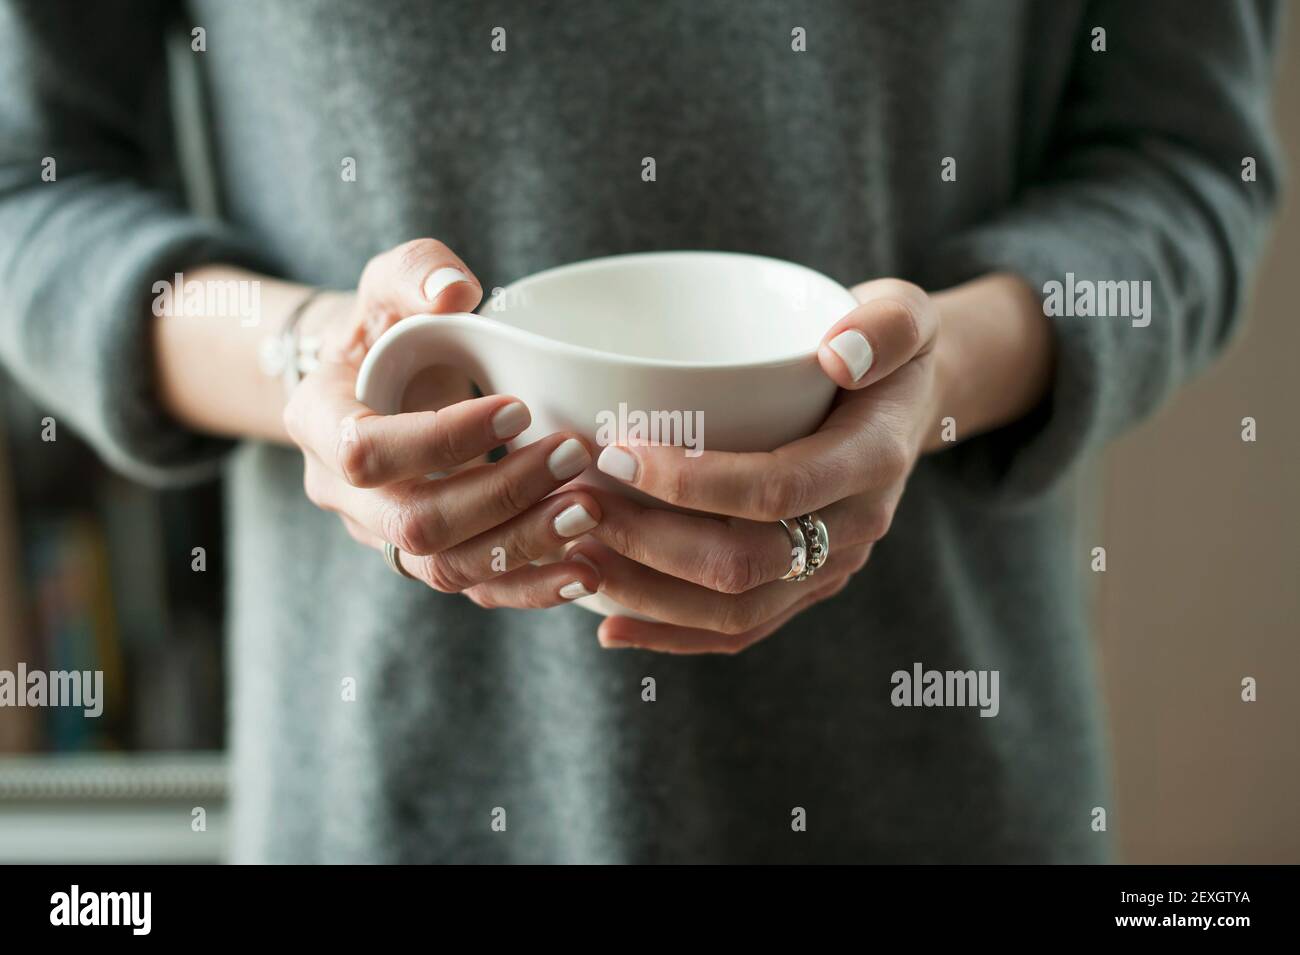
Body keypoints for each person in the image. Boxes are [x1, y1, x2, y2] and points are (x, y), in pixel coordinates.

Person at [0, 1, 1281, 862]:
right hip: (393, 796)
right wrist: (311, 358)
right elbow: (30, 191)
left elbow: (1180, 163)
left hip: (932, 784)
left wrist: (932, 380)